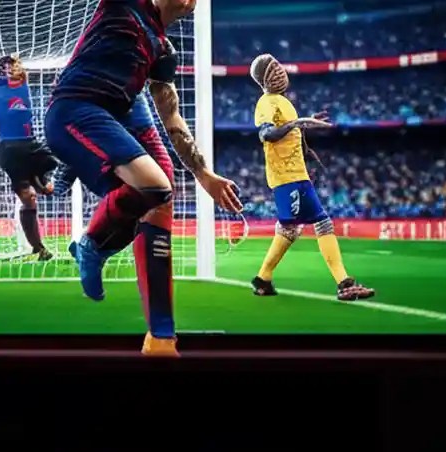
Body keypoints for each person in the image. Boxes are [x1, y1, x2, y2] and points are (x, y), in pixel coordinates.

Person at [44, 0, 244, 357]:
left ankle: (161, 337)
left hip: (122, 108)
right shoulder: (122, 5)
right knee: (154, 185)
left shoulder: (163, 51)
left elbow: (172, 117)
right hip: (77, 107)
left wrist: (204, 174)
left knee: (162, 193)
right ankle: (94, 244)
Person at [248, 53, 375, 301]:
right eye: (273, 69)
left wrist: (304, 129)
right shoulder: (266, 103)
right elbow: (267, 135)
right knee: (308, 225)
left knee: (297, 228)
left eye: (278, 66)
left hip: (297, 175)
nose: (280, 71)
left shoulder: (283, 102)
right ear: (264, 78)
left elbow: (290, 133)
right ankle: (344, 284)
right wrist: (297, 123)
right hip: (286, 177)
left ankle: (263, 279)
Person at [0, 54, 61, 260]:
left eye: (12, 66)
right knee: (28, 199)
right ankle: (38, 248)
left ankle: (40, 180)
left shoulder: (23, 83)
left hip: (30, 143)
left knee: (55, 158)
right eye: (4, 68)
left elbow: (20, 74)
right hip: (9, 148)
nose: (9, 70)